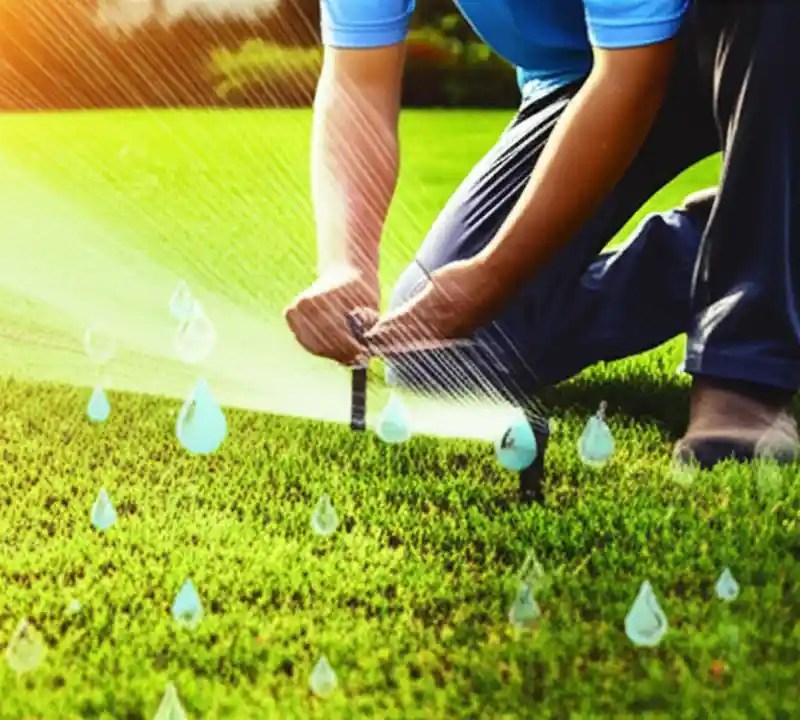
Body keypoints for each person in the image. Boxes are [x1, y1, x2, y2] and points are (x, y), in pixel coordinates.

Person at [284, 0, 800, 468]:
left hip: (749, 41)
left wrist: (494, 275)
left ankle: (745, 376)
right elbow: (358, 81)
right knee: (438, 354)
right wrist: (344, 263)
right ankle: (758, 226)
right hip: (580, 81)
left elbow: (632, 75)